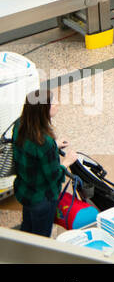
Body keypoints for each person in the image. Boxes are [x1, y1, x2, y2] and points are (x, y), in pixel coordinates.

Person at [11, 90, 67, 238]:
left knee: (27, 227)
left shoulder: (20, 123)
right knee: (41, 237)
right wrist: (67, 163)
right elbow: (54, 176)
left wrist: (54, 145)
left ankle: (22, 254)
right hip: (42, 197)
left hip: (25, 190)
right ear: (43, 110)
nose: (58, 104)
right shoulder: (45, 141)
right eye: (54, 103)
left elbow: (30, 151)